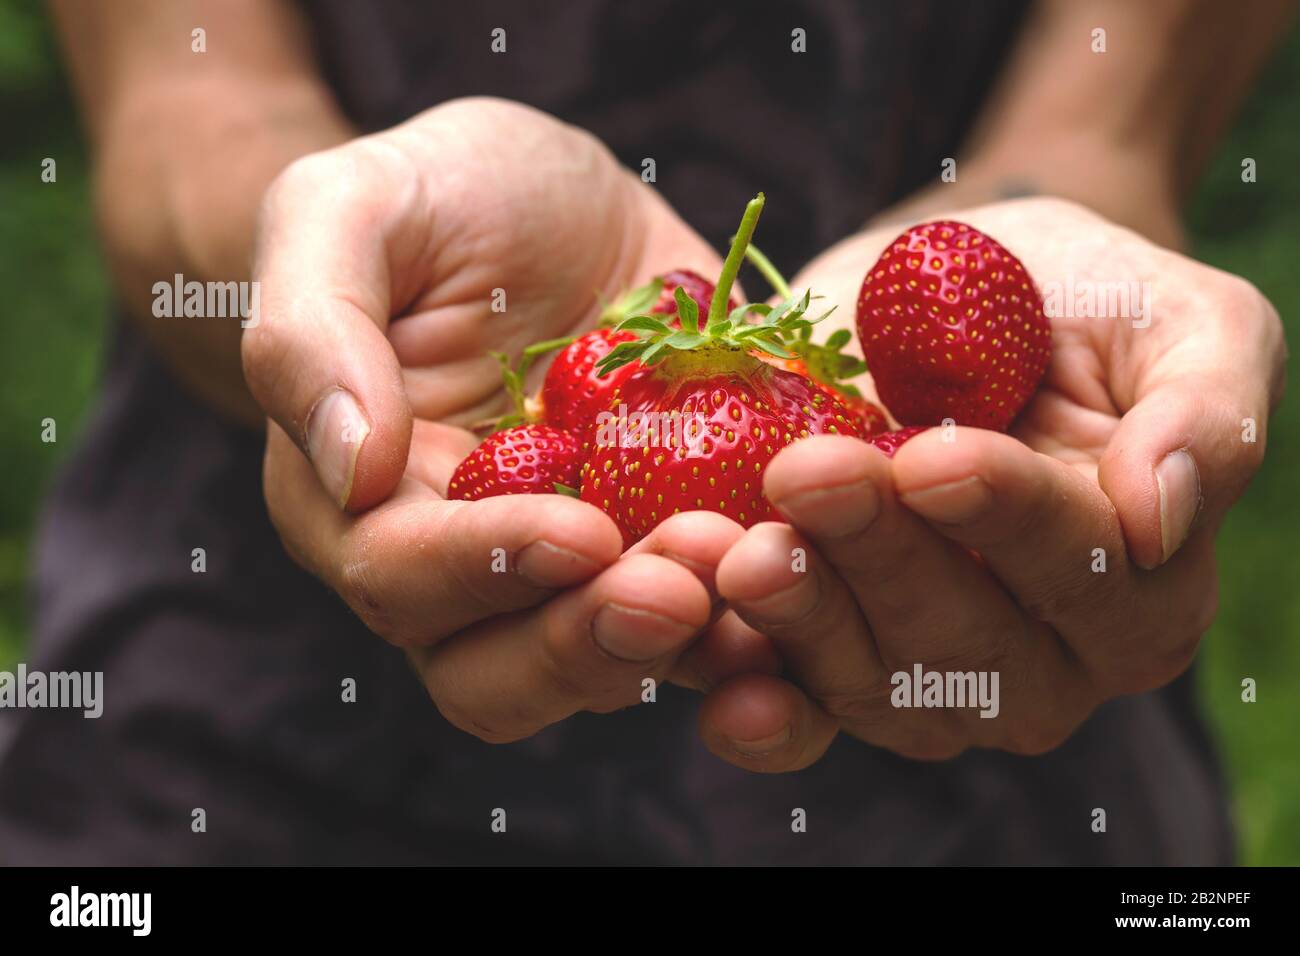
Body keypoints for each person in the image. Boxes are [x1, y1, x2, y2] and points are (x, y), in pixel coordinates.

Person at [0, 0, 1287, 864]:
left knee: (935, 511)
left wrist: (1048, 200)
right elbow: (187, 93)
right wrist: (318, 257)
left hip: (992, 689)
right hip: (225, 742)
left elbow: (1111, 108)